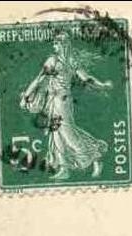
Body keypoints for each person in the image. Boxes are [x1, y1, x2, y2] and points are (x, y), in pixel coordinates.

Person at [19, 31, 112, 179]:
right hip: (52, 101)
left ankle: (94, 157)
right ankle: (64, 169)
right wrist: (26, 96)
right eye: (54, 43)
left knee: (68, 134)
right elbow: (39, 79)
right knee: (56, 135)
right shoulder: (52, 61)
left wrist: (101, 85)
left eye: (57, 43)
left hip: (63, 101)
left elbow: (86, 78)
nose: (55, 46)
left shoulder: (71, 61)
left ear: (64, 45)